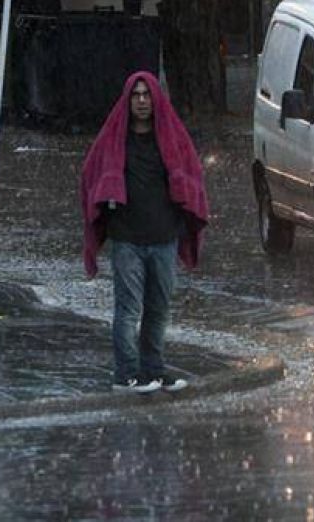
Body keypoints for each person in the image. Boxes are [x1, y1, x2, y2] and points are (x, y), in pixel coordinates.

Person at [80, 71, 208, 394]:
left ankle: (153, 369)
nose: (141, 101)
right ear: (127, 100)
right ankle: (126, 373)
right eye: (135, 95)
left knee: (158, 308)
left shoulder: (171, 137)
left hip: (164, 237)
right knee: (128, 309)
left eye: (146, 94)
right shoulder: (114, 139)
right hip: (127, 239)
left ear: (155, 99)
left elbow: (191, 174)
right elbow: (91, 173)